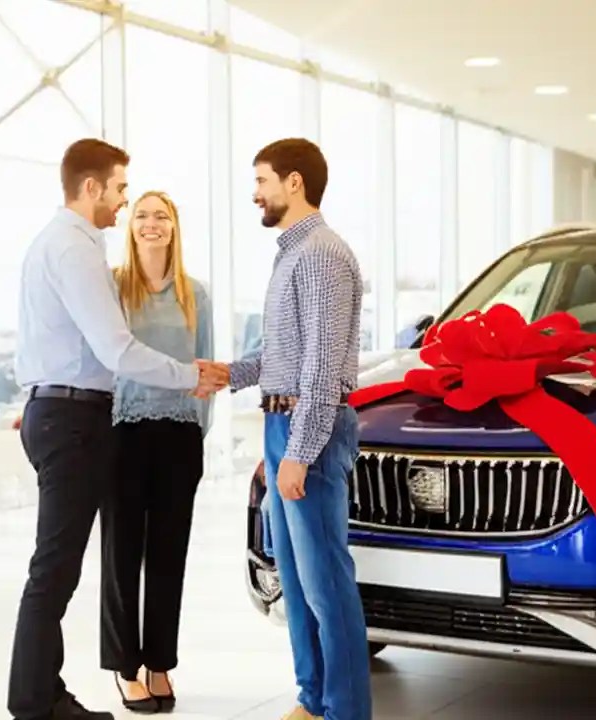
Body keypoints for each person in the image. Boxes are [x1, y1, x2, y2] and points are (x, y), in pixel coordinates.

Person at [8, 139, 227, 720]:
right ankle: (36, 701)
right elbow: (116, 348)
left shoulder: (63, 244)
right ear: (91, 188)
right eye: (122, 190)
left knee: (56, 569)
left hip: (69, 414)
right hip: (77, 419)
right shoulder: (78, 252)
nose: (125, 204)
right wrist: (189, 376)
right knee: (55, 570)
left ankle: (43, 694)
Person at [218, 138, 371, 720]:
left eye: (262, 180)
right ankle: (313, 701)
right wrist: (227, 374)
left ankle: (347, 711)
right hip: (282, 423)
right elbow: (283, 355)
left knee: (327, 582)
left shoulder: (323, 255)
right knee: (298, 581)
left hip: (314, 428)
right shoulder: (291, 252)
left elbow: (323, 367)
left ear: (294, 183)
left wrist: (300, 452)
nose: (255, 192)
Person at [100, 191, 213, 714]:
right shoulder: (111, 287)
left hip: (178, 435)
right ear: (131, 226)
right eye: (142, 215)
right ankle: (125, 667)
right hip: (123, 433)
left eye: (161, 216)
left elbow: (206, 371)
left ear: (174, 227)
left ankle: (159, 663)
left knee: (169, 556)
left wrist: (197, 434)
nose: (151, 224)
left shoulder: (197, 294)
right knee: (122, 554)